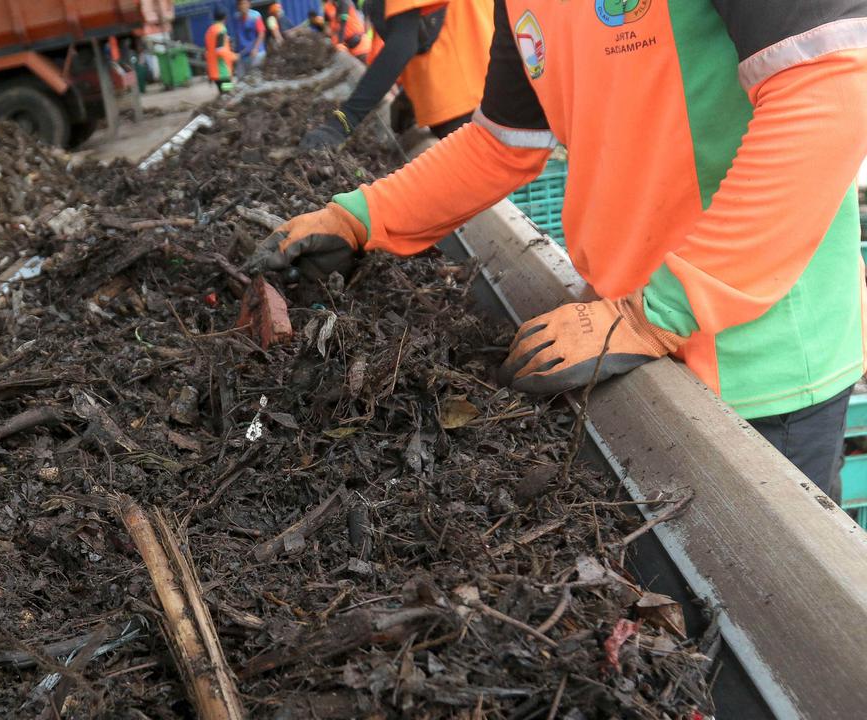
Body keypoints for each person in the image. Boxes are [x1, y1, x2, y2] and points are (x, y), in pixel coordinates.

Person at [252, 0, 867, 501]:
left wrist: (659, 312)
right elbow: (499, 145)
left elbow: (830, 88)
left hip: (756, 360)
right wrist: (359, 217)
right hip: (620, 330)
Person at [300, 0, 493, 150]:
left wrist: (342, 123)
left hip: (463, 104)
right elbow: (431, 27)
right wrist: (411, 96)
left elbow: (403, 42)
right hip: (478, 90)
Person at [205, 8, 238, 93]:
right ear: (225, 18)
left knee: (223, 94)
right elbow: (220, 50)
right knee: (228, 94)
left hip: (214, 71)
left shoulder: (210, 30)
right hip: (223, 72)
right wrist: (233, 56)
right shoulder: (221, 30)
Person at [234, 0, 267, 76]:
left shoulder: (255, 16)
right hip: (242, 54)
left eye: (244, 3)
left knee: (256, 77)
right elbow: (238, 35)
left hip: (256, 53)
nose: (242, 6)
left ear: (249, 4)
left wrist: (255, 48)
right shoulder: (237, 17)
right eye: (240, 4)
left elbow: (261, 33)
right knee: (241, 78)